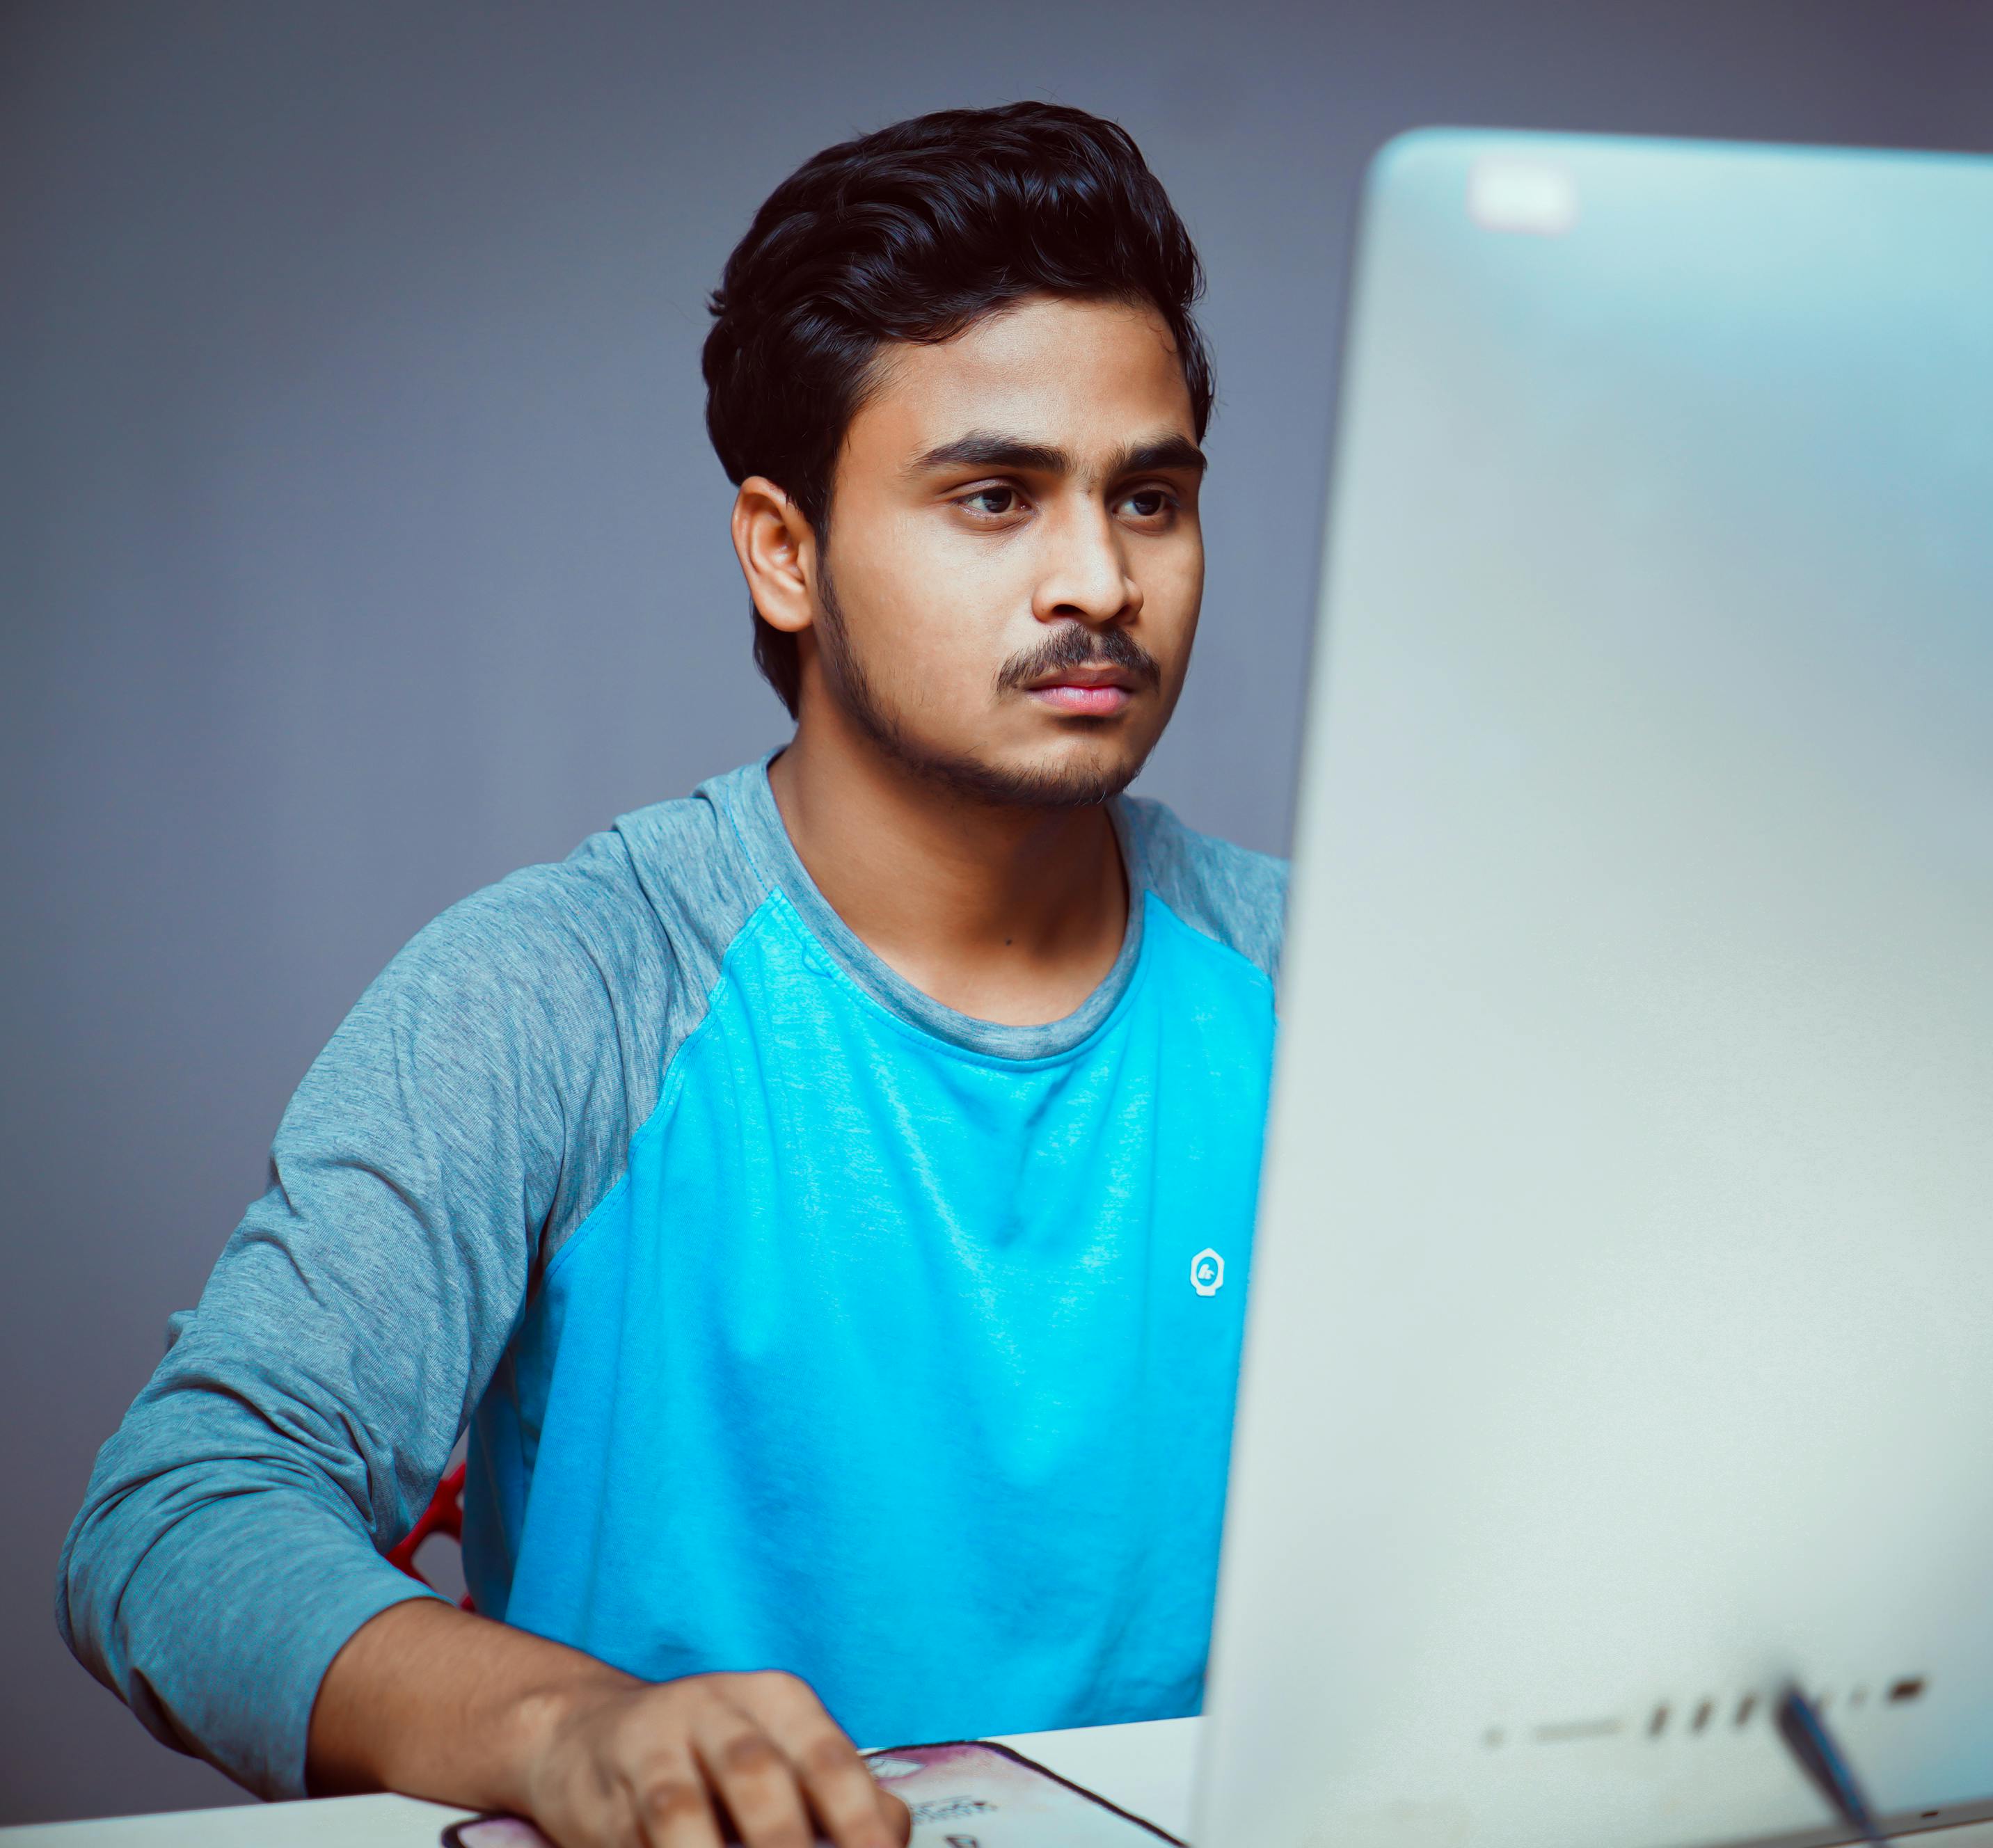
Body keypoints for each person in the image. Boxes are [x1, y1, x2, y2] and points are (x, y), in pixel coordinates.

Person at [58, 102, 1283, 1848]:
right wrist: (561, 1728)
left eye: (1148, 498)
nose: (1100, 578)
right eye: (996, 496)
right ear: (784, 552)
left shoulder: (1330, 987)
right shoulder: (561, 988)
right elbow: (177, 1518)